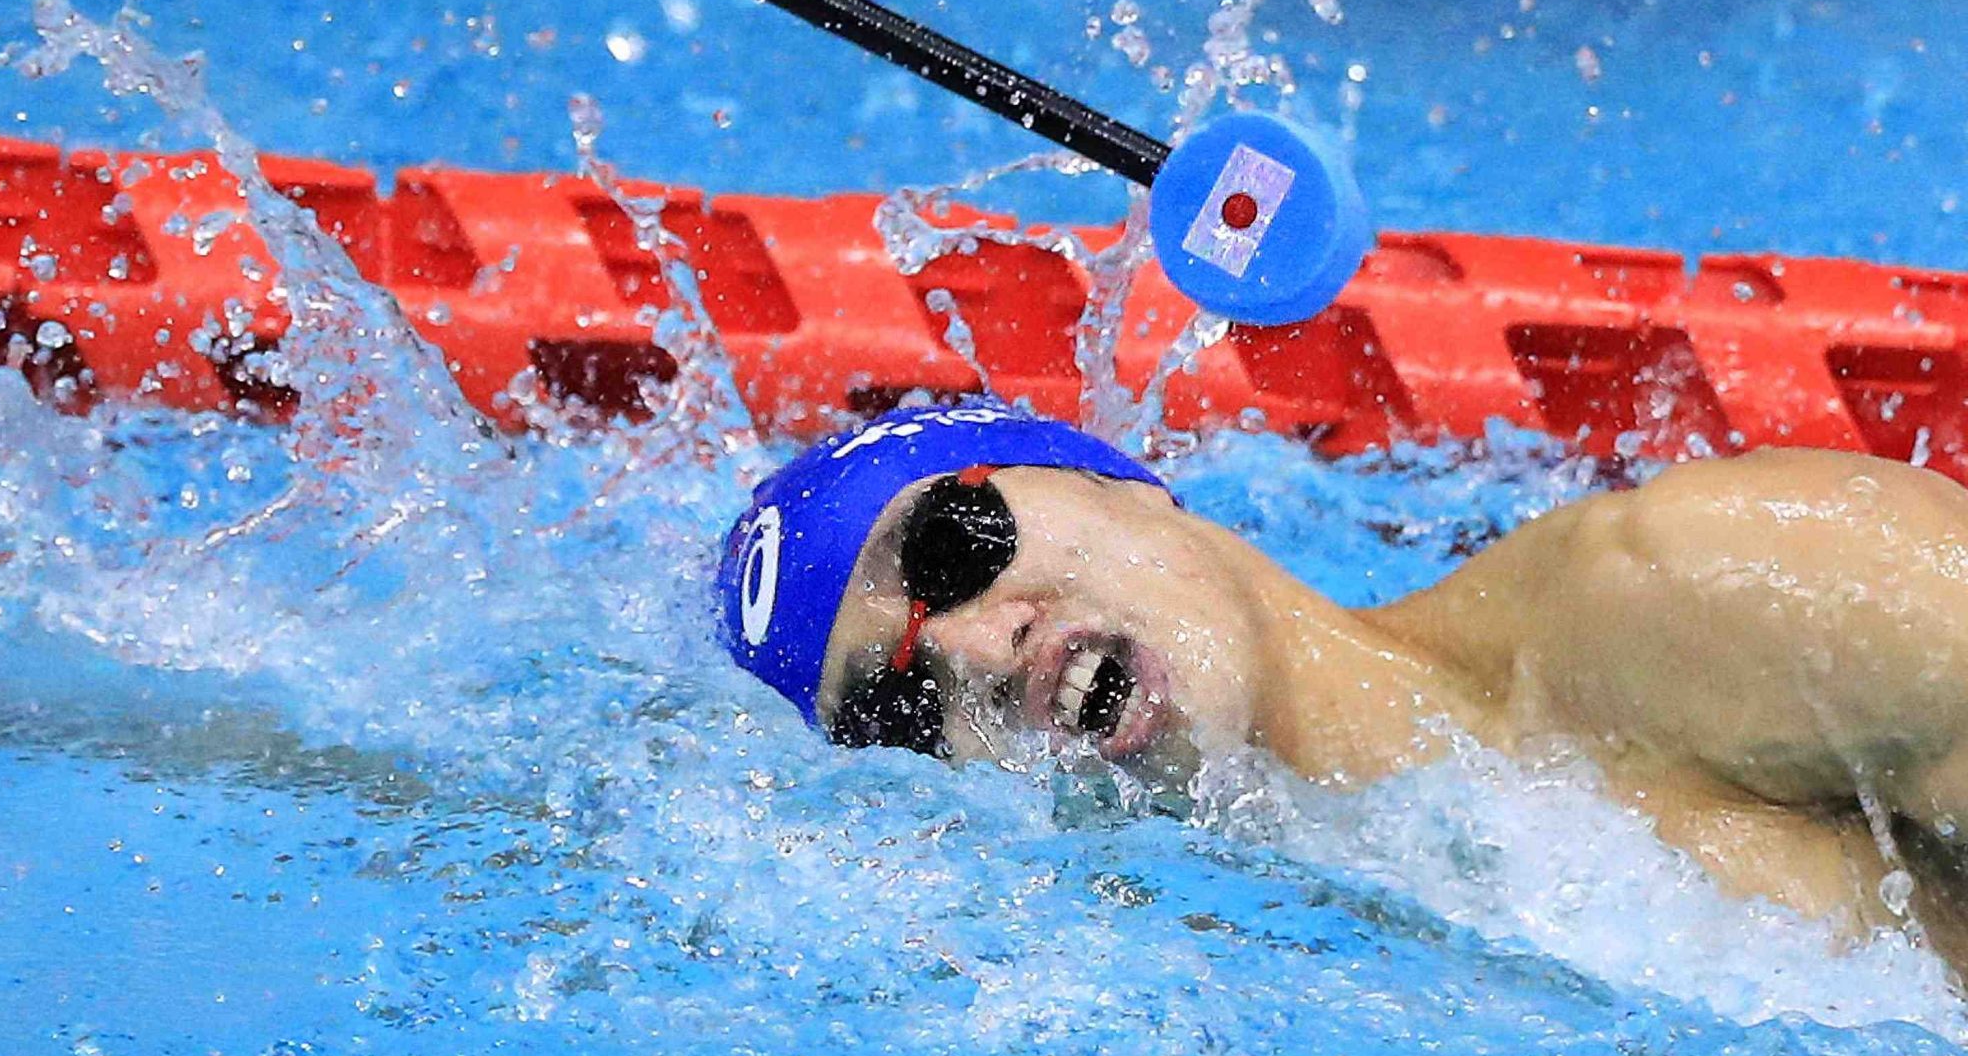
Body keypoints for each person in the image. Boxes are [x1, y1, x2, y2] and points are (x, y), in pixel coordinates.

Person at [716, 401, 1968, 966]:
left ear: (1105, 471)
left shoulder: (1708, 595)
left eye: (949, 550)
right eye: (898, 714)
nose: (976, 653)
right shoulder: (1184, 980)